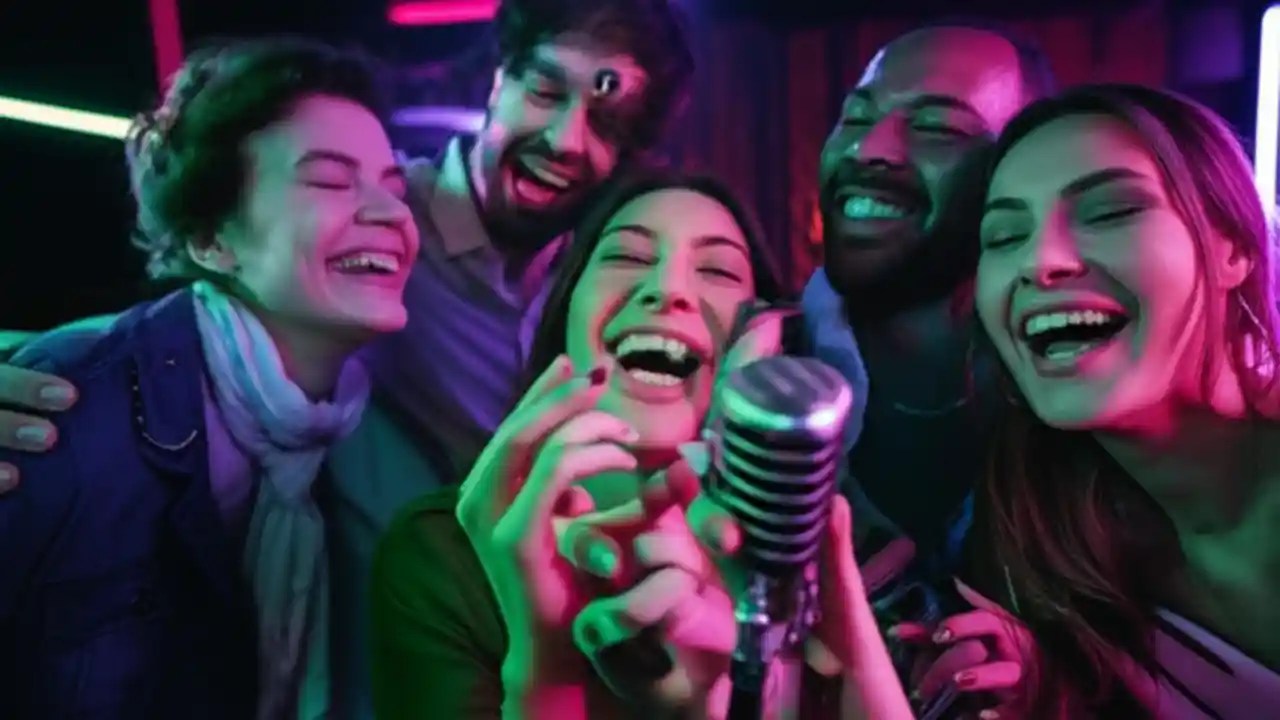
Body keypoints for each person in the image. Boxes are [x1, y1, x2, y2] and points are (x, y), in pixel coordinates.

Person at [0, 2, 694, 715]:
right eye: (545, 91)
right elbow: (175, 321)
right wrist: (55, 363)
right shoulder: (387, 244)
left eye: (606, 121)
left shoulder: (602, 283)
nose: (567, 138)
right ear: (497, 83)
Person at [368, 168, 913, 718]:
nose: (668, 290)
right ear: (567, 313)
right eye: (626, 257)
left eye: (718, 269)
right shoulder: (440, 554)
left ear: (765, 344)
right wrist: (546, 666)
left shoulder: (844, 575)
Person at [0, 38, 418, 719]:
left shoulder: (352, 437)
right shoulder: (66, 408)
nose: (392, 214)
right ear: (211, 240)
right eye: (330, 181)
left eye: (394, 186)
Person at [967, 84, 1280, 717]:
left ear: (1235, 250)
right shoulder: (1031, 539)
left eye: (1109, 211)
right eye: (1003, 237)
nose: (1040, 262)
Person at [797, 23, 1058, 717]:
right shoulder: (751, 380)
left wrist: (1059, 684)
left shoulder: (1075, 400)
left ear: (1019, 173)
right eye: (855, 117)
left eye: (937, 128)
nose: (867, 148)